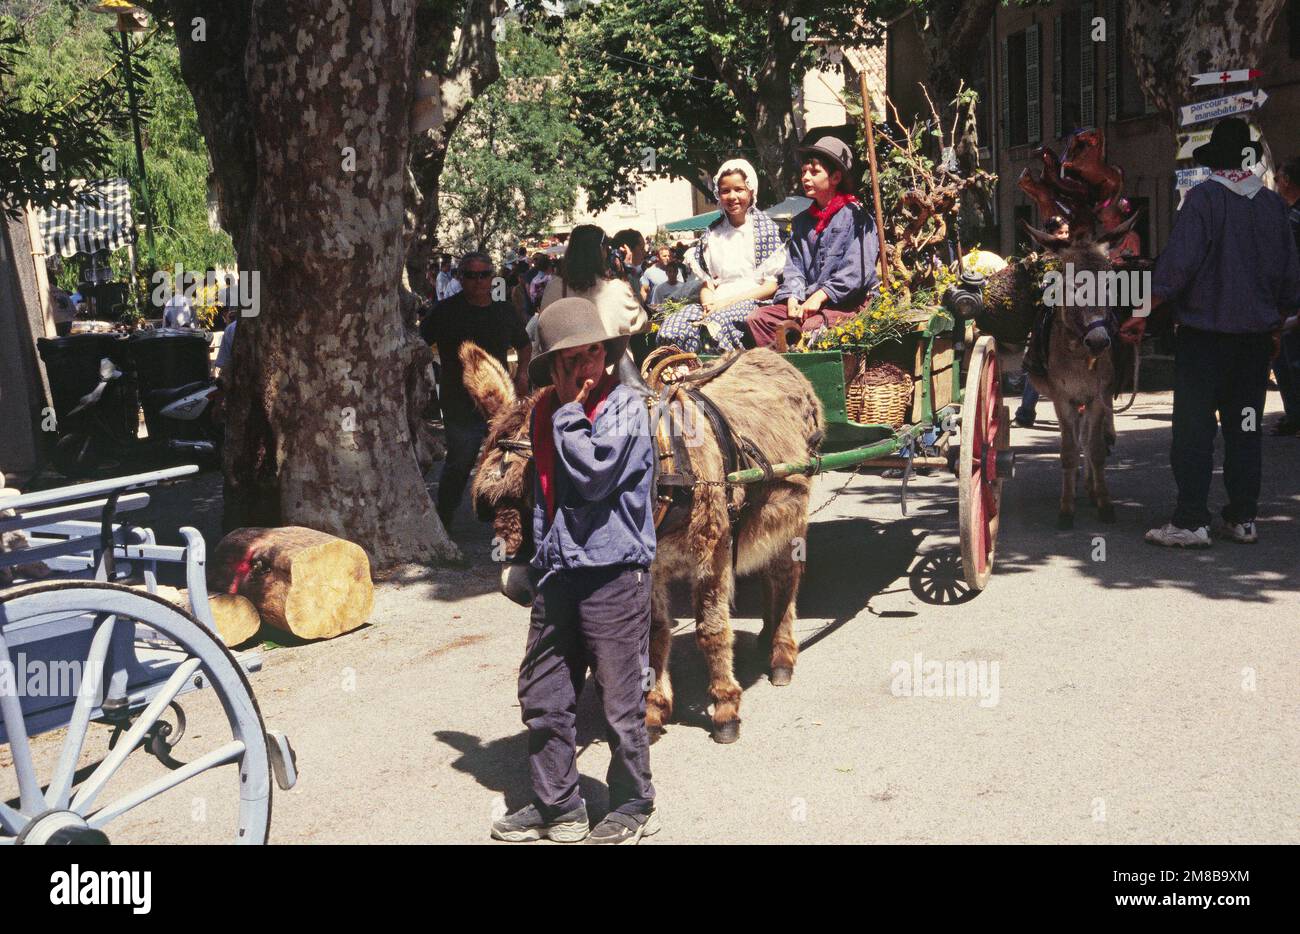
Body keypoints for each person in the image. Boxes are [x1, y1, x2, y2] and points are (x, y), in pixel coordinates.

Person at [489, 297, 659, 845]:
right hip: (560, 571)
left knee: (618, 696)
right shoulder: (544, 412)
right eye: (572, 359)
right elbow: (544, 496)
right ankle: (559, 805)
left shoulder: (628, 408)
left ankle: (633, 802)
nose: (586, 368)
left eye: (593, 354)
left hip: (613, 572)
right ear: (553, 366)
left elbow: (591, 476)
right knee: (543, 691)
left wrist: (566, 411)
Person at [1119, 118, 1300, 547]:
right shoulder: (1274, 207)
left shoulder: (1202, 201)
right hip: (1255, 343)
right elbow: (1290, 280)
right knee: (1246, 428)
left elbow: (1177, 269)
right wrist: (1275, 324)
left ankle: (1191, 521)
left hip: (1205, 340)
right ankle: (1242, 518)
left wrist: (1143, 312)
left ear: (1215, 162)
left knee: (1195, 429)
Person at [421, 251, 532, 529]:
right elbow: (418, 344)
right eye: (471, 275)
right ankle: (444, 516)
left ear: (492, 277)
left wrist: (522, 375)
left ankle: (502, 515)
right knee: (461, 459)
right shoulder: (445, 311)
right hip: (458, 401)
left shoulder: (503, 310)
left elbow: (524, 344)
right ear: (460, 277)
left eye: (484, 275)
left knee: (505, 457)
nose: (478, 281)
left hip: (499, 400)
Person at [746, 137, 879, 347]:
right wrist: (792, 297)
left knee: (809, 328)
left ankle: (801, 368)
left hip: (846, 304)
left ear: (835, 177)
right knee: (758, 319)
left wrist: (820, 296)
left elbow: (855, 272)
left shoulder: (858, 218)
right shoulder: (801, 222)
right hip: (807, 304)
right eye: (803, 172)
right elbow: (794, 268)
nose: (805, 177)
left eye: (814, 172)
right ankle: (781, 372)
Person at [656, 158, 785, 352]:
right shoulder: (712, 234)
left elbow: (770, 286)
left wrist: (726, 303)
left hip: (753, 301)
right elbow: (707, 283)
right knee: (675, 326)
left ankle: (724, 373)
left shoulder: (766, 231)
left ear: (751, 191)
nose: (732, 196)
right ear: (718, 194)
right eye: (725, 191)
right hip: (717, 301)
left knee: (715, 324)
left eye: (739, 189)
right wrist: (709, 302)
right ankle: (688, 372)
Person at [534, 224, 647, 349]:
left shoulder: (554, 288)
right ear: (601, 253)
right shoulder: (616, 289)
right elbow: (640, 322)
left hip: (567, 365)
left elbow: (543, 331)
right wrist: (625, 276)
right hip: (608, 364)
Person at [1017, 216, 1070, 428]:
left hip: (1071, 312)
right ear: (1048, 235)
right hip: (1048, 312)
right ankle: (1026, 411)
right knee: (1038, 360)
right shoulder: (1040, 259)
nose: (1065, 237)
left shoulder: (1072, 256)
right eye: (1060, 233)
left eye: (1067, 232)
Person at [1270, 155, 1300, 436]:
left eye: (1278, 178)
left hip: (1294, 297)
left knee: (1289, 359)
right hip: (1290, 296)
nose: (1276, 183)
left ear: (1287, 181)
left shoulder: (1293, 218)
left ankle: (1296, 415)